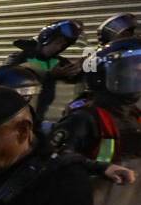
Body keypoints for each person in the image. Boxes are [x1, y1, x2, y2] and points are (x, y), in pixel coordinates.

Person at [50, 36, 141, 164]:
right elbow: (54, 160)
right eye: (133, 71)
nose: (138, 77)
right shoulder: (82, 119)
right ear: (105, 75)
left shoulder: (134, 114)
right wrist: (100, 169)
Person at [5, 19, 85, 122]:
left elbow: (74, 77)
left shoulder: (58, 61)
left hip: (41, 118)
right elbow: (12, 77)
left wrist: (82, 68)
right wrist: (48, 74)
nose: (59, 47)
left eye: (64, 45)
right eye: (58, 42)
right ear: (46, 38)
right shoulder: (19, 57)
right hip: (15, 116)